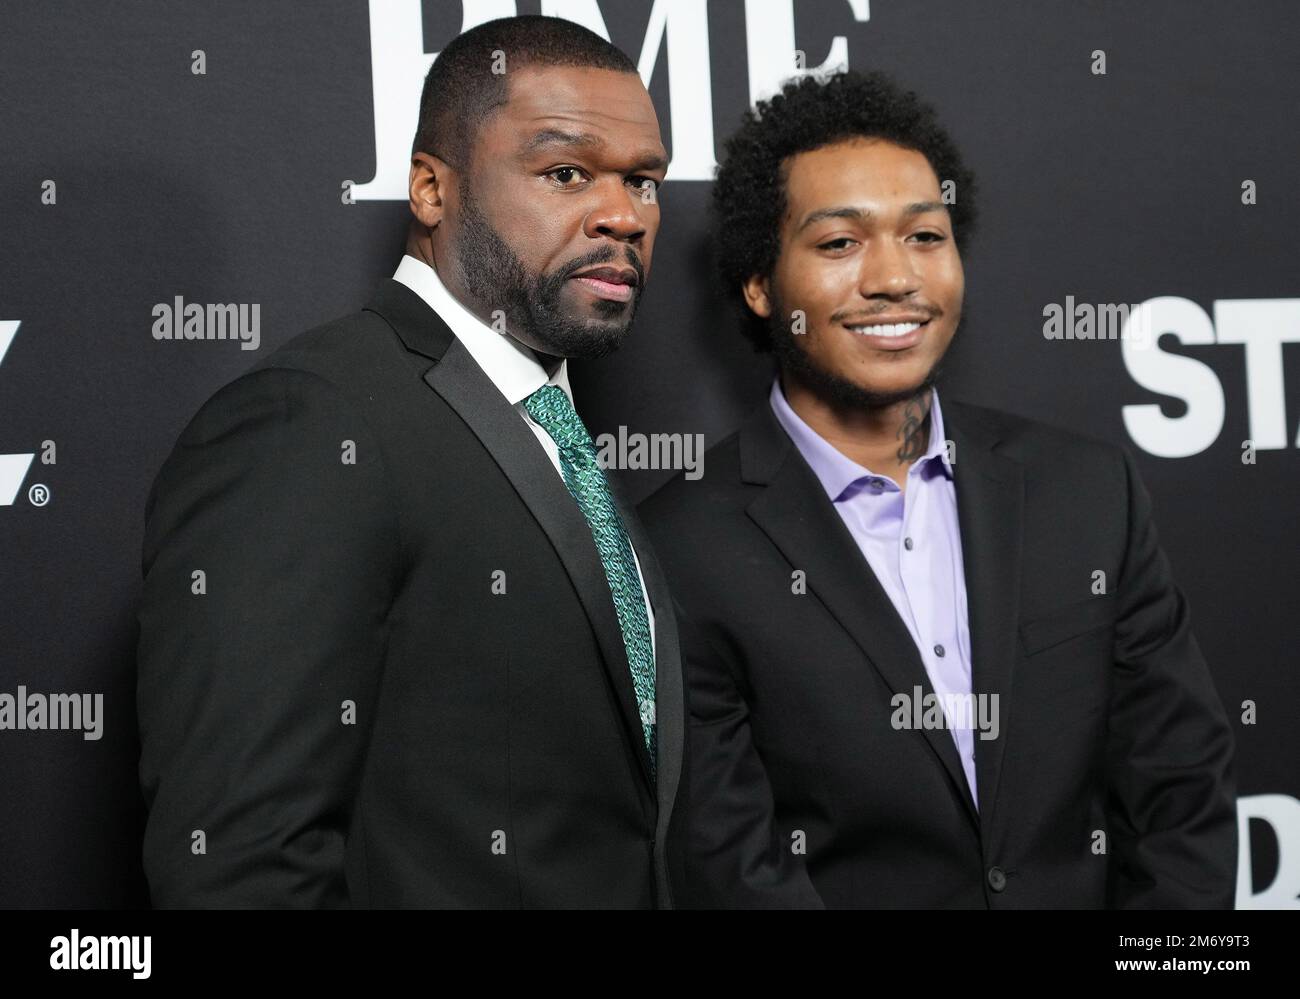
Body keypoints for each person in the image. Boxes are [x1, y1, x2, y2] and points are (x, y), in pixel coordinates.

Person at [640, 69, 1237, 908]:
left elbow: (1181, 798)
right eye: (840, 243)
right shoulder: (678, 547)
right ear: (760, 283)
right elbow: (732, 868)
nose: (895, 278)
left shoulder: (1088, 493)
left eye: (925, 236)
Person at [137, 15, 685, 908]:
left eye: (644, 181)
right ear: (432, 189)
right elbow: (241, 861)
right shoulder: (306, 422)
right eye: (566, 173)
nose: (624, 214)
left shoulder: (558, 430)